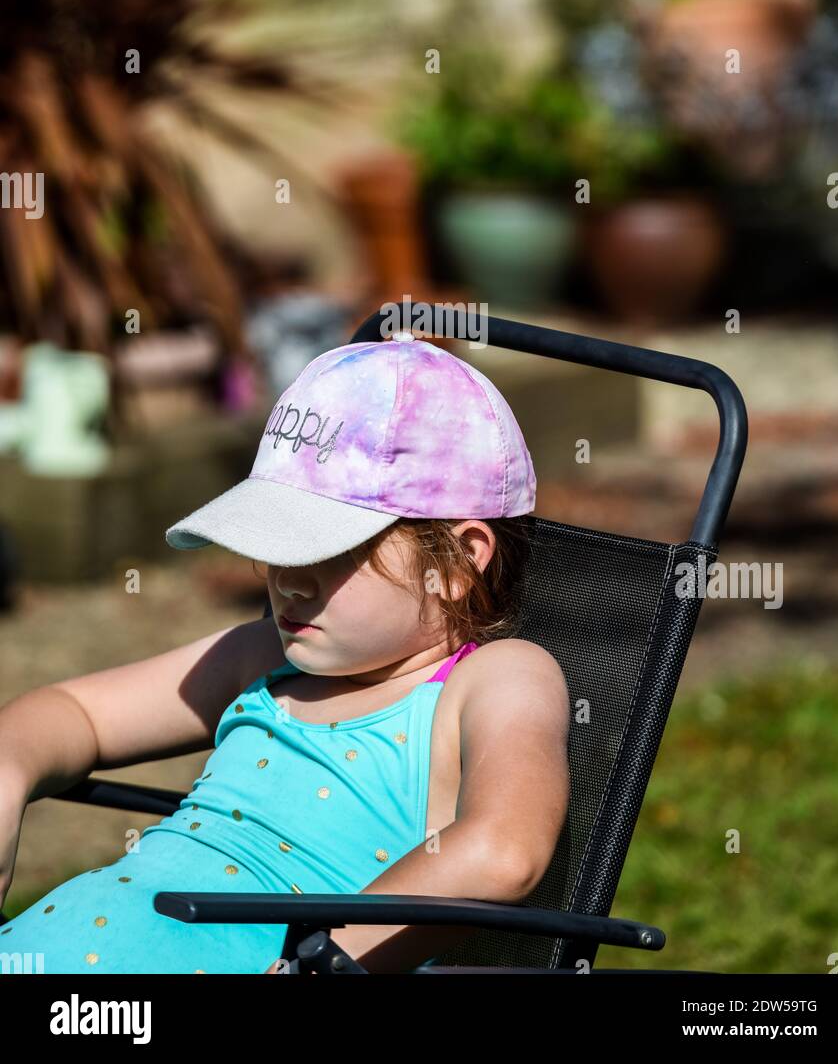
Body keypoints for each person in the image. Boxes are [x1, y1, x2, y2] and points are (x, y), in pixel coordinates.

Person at [0, 334, 571, 974]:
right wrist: (9, 772)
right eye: (276, 544)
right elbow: (73, 711)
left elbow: (504, 850)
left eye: (329, 553)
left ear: (459, 562)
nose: (286, 580)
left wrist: (321, 961)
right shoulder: (267, 657)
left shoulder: (495, 679)